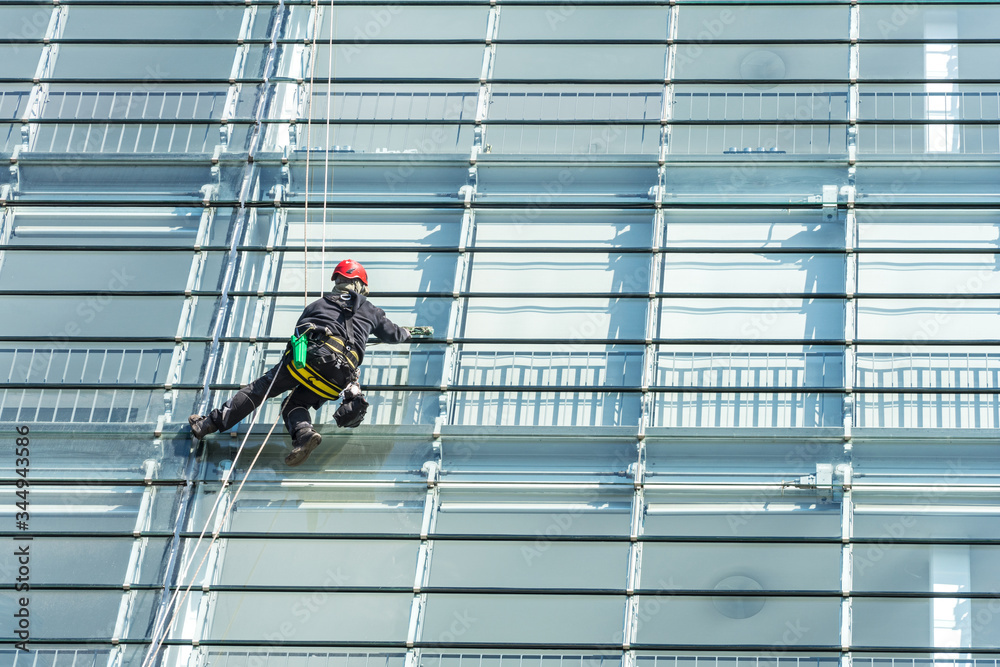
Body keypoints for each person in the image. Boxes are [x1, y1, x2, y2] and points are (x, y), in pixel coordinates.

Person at [188, 259, 417, 466]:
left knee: (259, 390)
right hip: (339, 379)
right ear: (359, 285)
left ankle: (208, 424)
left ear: (338, 282)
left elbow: (299, 333)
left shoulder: (317, 305)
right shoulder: (372, 311)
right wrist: (410, 332)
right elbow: (394, 335)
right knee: (293, 405)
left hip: (307, 361)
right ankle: (304, 434)